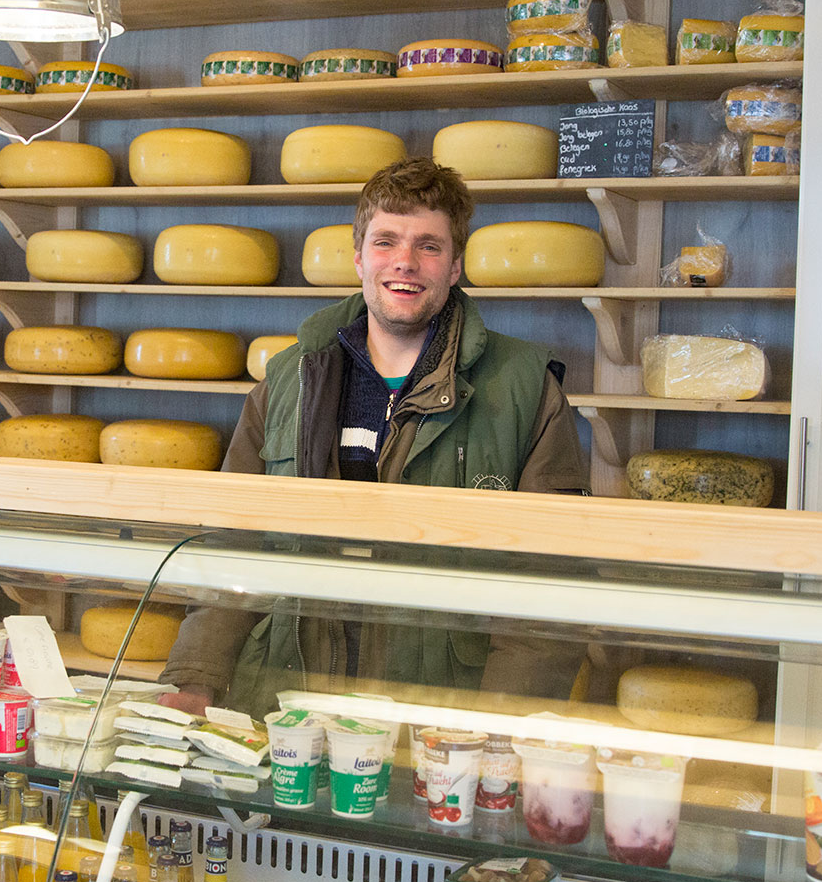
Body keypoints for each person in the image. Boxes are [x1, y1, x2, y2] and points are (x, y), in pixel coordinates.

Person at [159, 156, 591, 717]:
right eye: (387, 241)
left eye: (429, 246)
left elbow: (549, 585)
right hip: (289, 701)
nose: (405, 263)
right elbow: (232, 547)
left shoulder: (526, 388)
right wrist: (197, 675)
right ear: (359, 257)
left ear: (455, 266)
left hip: (440, 716)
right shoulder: (289, 380)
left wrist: (499, 724)